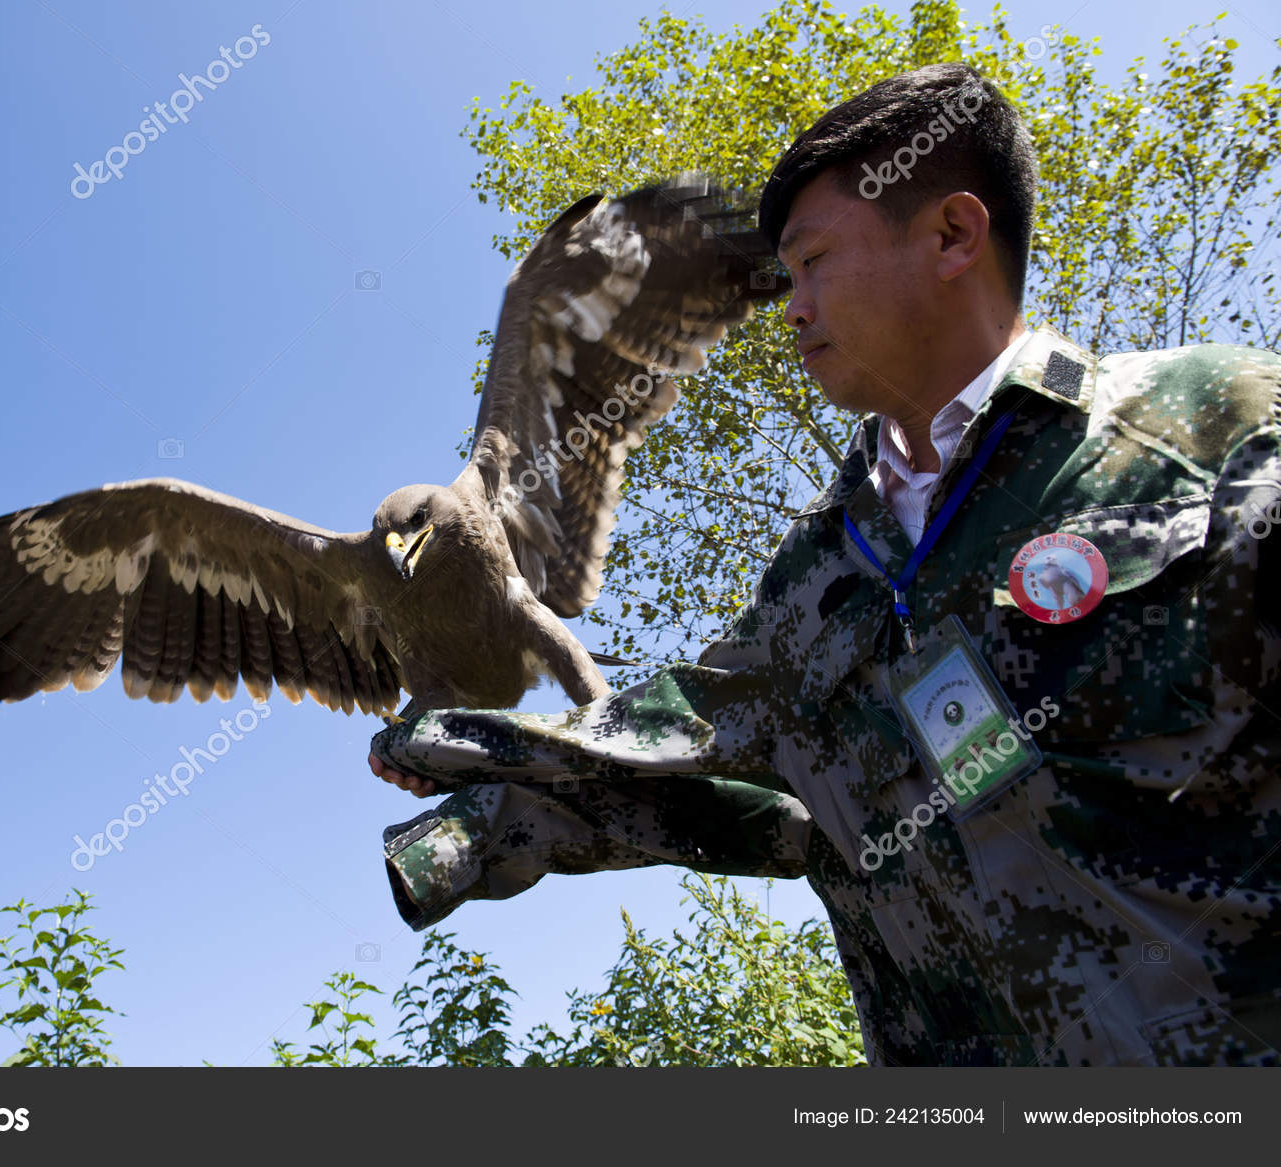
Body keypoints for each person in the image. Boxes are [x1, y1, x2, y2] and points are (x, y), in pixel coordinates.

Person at [366, 63, 1281, 1066]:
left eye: (811, 264)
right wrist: (470, 795)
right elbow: (711, 779)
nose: (789, 307)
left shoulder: (1212, 426)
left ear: (950, 235)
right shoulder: (812, 579)